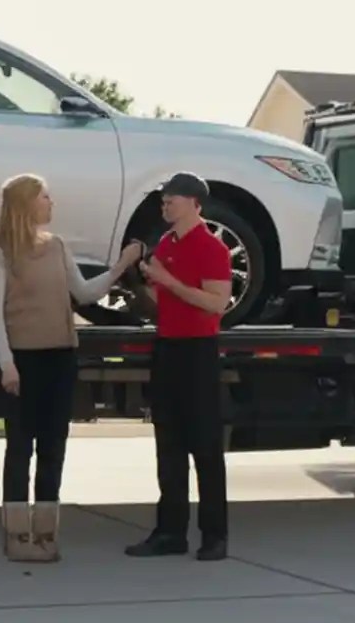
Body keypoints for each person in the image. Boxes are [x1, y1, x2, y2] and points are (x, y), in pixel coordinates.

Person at [0, 173, 143, 562]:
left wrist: (122, 265)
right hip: (23, 360)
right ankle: (18, 535)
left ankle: (47, 533)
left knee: (53, 445)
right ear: (26, 205)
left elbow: (84, 292)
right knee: (21, 447)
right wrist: (7, 365)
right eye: (45, 197)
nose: (51, 204)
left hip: (59, 358)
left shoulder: (57, 247)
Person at [124, 171, 232, 562]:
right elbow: (159, 298)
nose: (165, 205)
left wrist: (168, 281)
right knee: (168, 445)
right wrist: (143, 282)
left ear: (193, 203)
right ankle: (170, 532)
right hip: (167, 348)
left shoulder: (212, 247)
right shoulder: (166, 243)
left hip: (199, 350)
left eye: (172, 199)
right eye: (164, 199)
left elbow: (216, 303)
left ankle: (214, 535)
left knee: (204, 446)